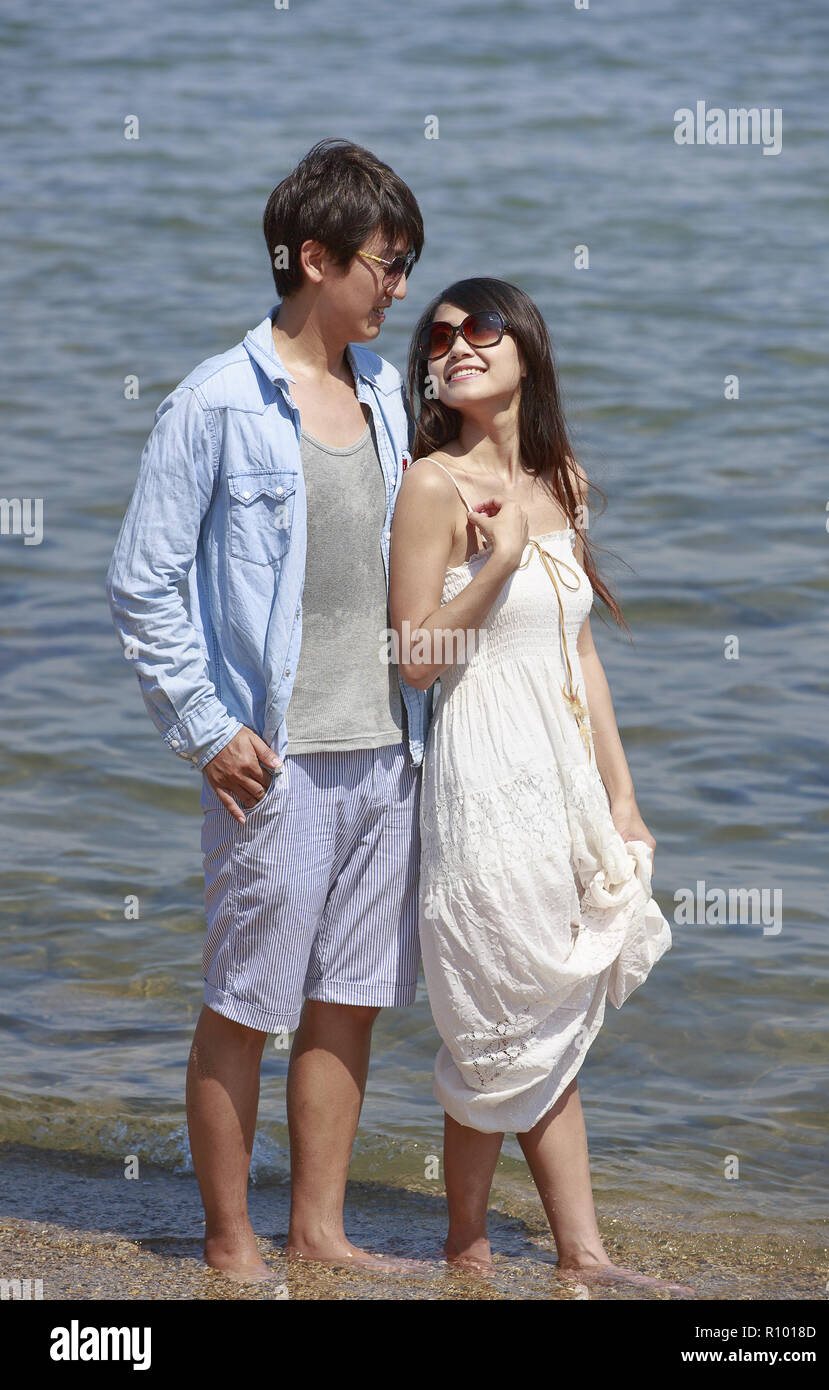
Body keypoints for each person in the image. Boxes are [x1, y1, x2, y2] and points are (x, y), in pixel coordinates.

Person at [105, 138, 432, 1280]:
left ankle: (322, 1232)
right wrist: (204, 729)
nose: (399, 288)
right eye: (385, 265)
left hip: (392, 753)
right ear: (311, 258)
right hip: (274, 762)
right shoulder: (214, 404)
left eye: (402, 266)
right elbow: (140, 582)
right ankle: (231, 1237)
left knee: (347, 1004)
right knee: (246, 1006)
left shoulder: (389, 394)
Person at [388, 278, 683, 1292]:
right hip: (481, 781)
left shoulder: (563, 476)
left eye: (481, 326)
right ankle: (529, 1251)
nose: (457, 343)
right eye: (438, 335)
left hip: (559, 786)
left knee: (533, 1023)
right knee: (496, 1016)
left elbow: (582, 655)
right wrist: (497, 561)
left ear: (525, 347)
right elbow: (414, 654)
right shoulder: (431, 485)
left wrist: (622, 797)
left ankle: (519, 1251)